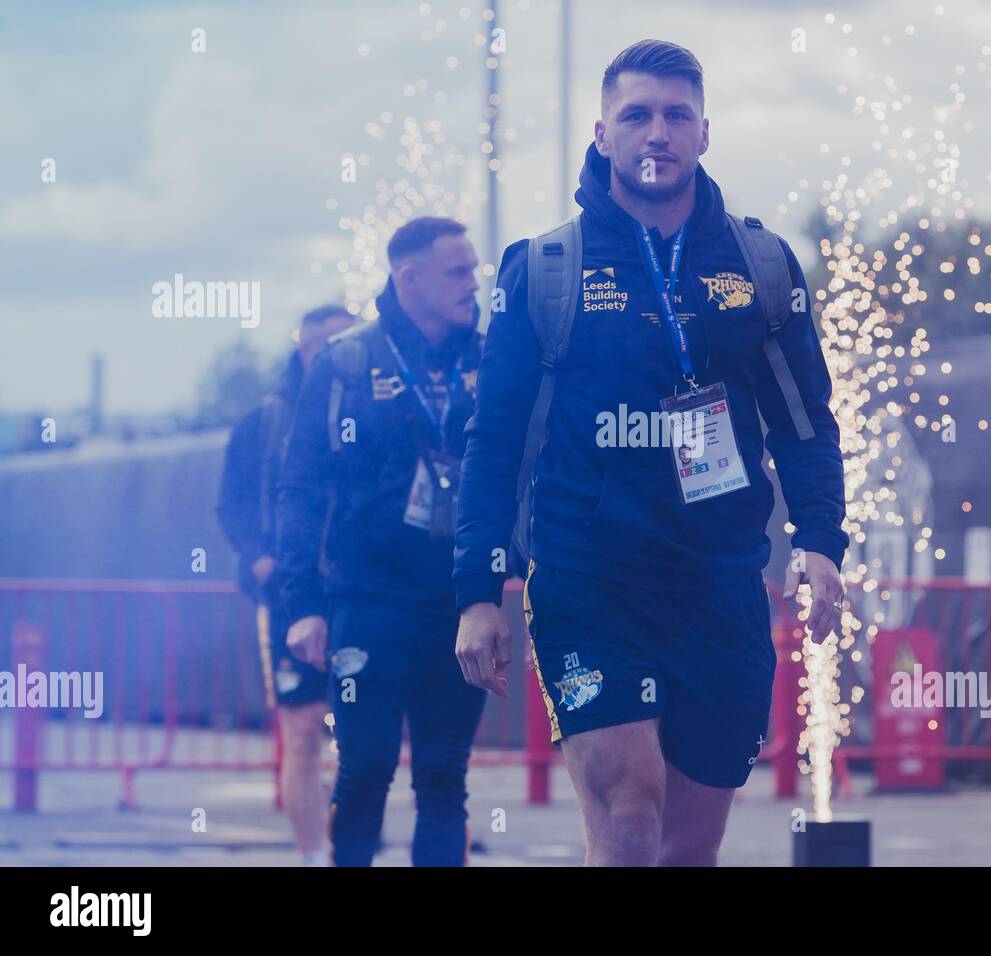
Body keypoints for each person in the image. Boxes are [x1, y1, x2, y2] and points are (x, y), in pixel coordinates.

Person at [453, 39, 848, 866]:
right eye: (636, 115)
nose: (656, 133)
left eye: (676, 115)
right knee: (630, 815)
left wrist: (818, 542)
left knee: (689, 847)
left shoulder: (762, 265)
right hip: (589, 584)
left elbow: (804, 423)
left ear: (705, 134)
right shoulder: (543, 270)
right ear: (603, 135)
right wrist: (477, 590)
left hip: (720, 585)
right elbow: (495, 444)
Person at [276, 217, 487, 866]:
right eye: (458, 271)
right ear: (409, 277)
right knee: (364, 772)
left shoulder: (490, 358)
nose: (472, 284)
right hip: (367, 600)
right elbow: (301, 492)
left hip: (458, 602)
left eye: (475, 270)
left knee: (445, 780)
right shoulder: (344, 364)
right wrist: (302, 606)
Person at [217, 303, 355, 867]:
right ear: (305, 348)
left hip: (359, 592)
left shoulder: (378, 407)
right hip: (290, 596)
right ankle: (311, 855)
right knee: (301, 731)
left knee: (361, 735)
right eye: (329, 344)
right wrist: (260, 559)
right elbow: (232, 503)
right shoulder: (265, 421)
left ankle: (351, 845)